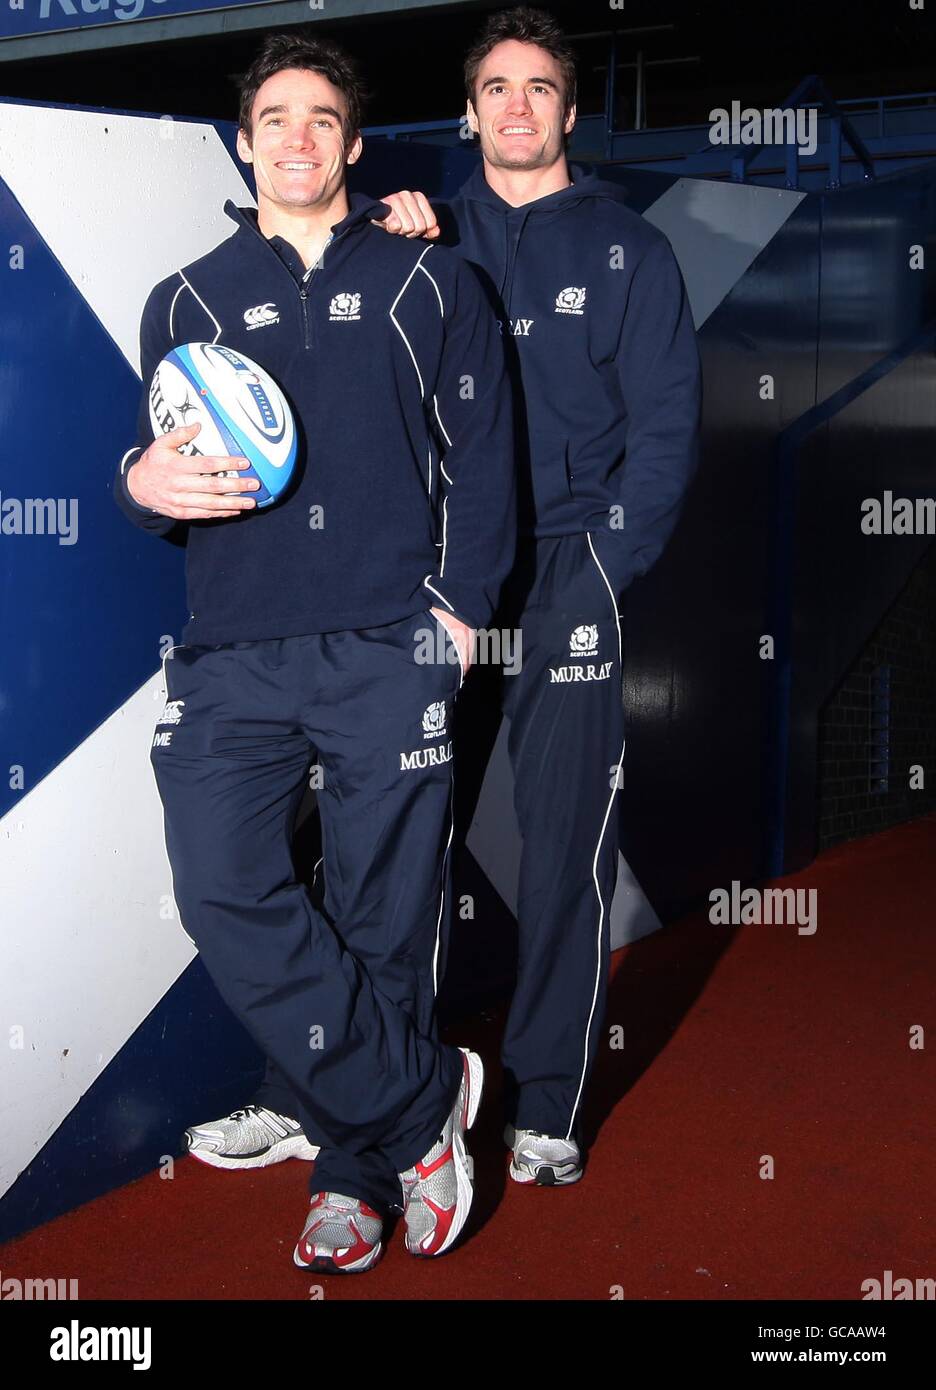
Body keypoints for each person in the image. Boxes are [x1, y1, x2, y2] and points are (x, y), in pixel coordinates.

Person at [186, 5, 701, 1193]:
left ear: (571, 110)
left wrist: (604, 572)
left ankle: (546, 1102)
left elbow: (668, 433)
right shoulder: (418, 233)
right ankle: (327, 1092)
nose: (518, 108)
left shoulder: (628, 249)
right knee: (378, 849)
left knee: (566, 846)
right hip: (435, 580)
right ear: (468, 113)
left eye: (540, 88)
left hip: (565, 576)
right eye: (496, 89)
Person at [113, 30, 515, 1274]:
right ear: (245, 143)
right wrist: (135, 484)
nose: (297, 138)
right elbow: (171, 467)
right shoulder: (182, 298)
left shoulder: (429, 280)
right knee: (219, 887)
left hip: (386, 643)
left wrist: (458, 611)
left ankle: (348, 1179)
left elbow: (486, 460)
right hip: (232, 651)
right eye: (275, 119)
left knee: (382, 919)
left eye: (321, 119)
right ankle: (418, 1103)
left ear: (353, 142)